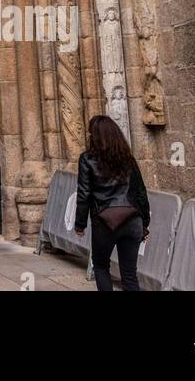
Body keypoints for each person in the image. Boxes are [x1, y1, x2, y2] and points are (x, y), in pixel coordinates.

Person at [75, 114, 150, 291]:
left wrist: (80, 224)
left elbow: (84, 194)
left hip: (104, 222)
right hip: (132, 220)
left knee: (101, 267)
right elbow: (141, 193)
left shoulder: (87, 159)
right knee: (129, 274)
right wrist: (145, 224)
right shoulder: (128, 159)